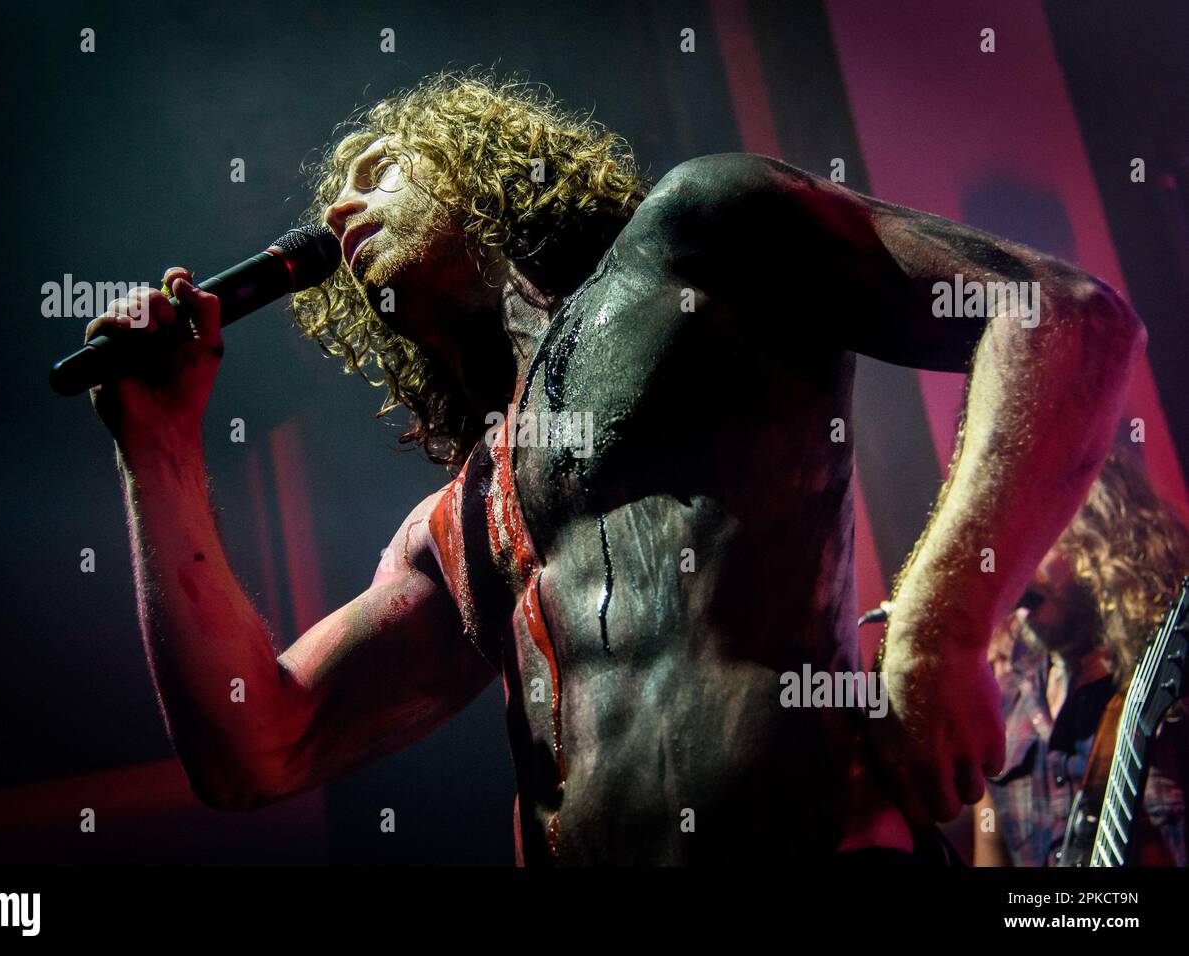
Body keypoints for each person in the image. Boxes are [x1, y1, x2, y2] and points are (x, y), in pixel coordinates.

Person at [83, 72, 1145, 863]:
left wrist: (942, 619)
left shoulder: (693, 236)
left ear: (475, 162)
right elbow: (257, 745)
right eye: (336, 196)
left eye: (378, 168)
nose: (345, 208)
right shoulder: (457, 526)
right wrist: (159, 444)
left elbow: (1057, 312)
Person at [974, 449, 1189, 866]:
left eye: (1038, 541)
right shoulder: (1000, 707)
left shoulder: (1171, 680)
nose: (1017, 570)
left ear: (1100, 540)